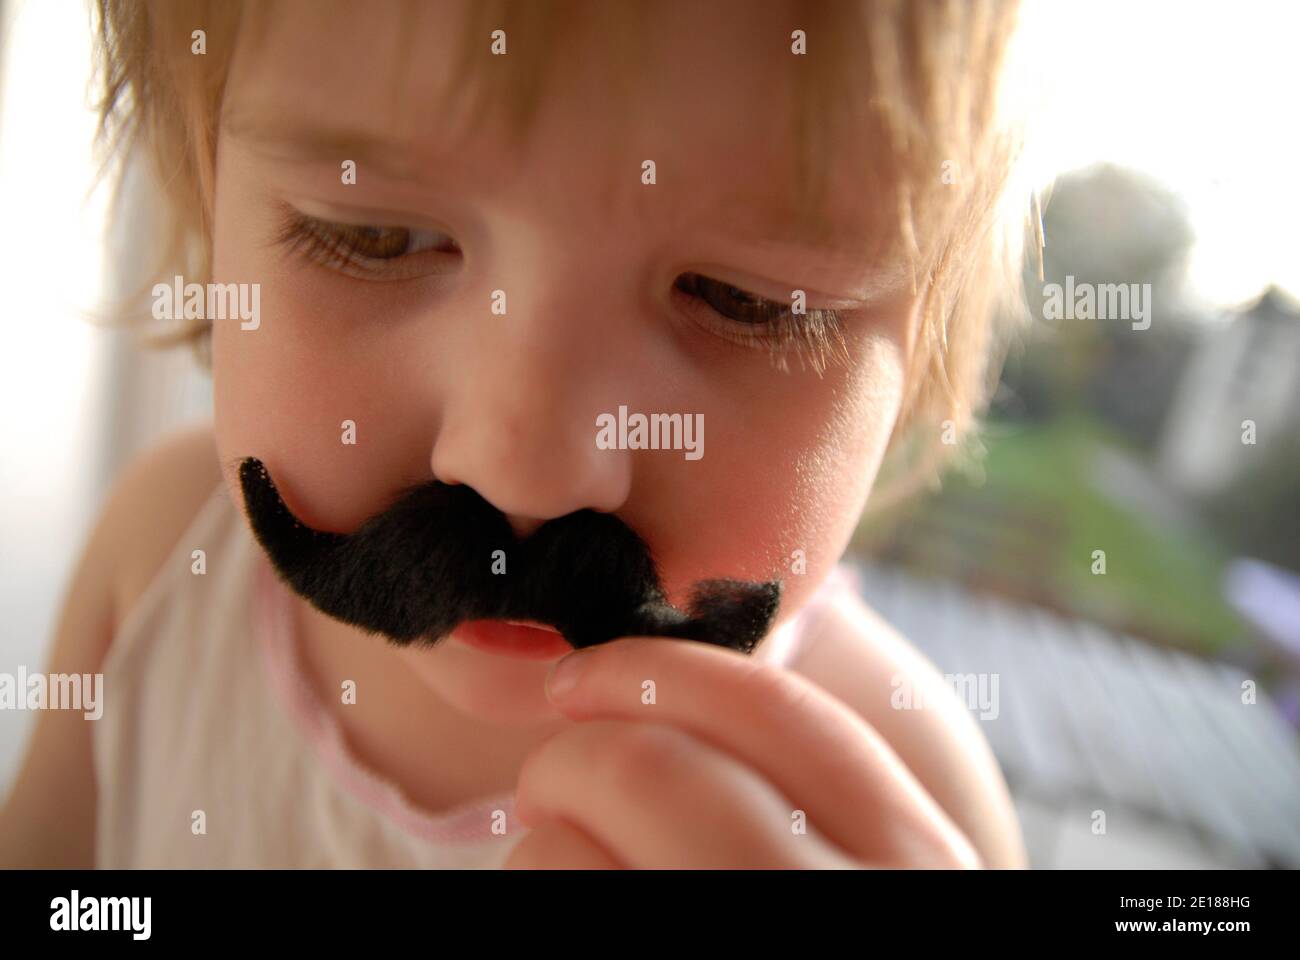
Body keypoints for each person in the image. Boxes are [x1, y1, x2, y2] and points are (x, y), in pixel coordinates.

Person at [1, 0, 1035, 869]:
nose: (523, 471)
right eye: (373, 235)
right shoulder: (162, 564)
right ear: (204, 195)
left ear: (919, 358)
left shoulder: (894, 800)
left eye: (744, 300)